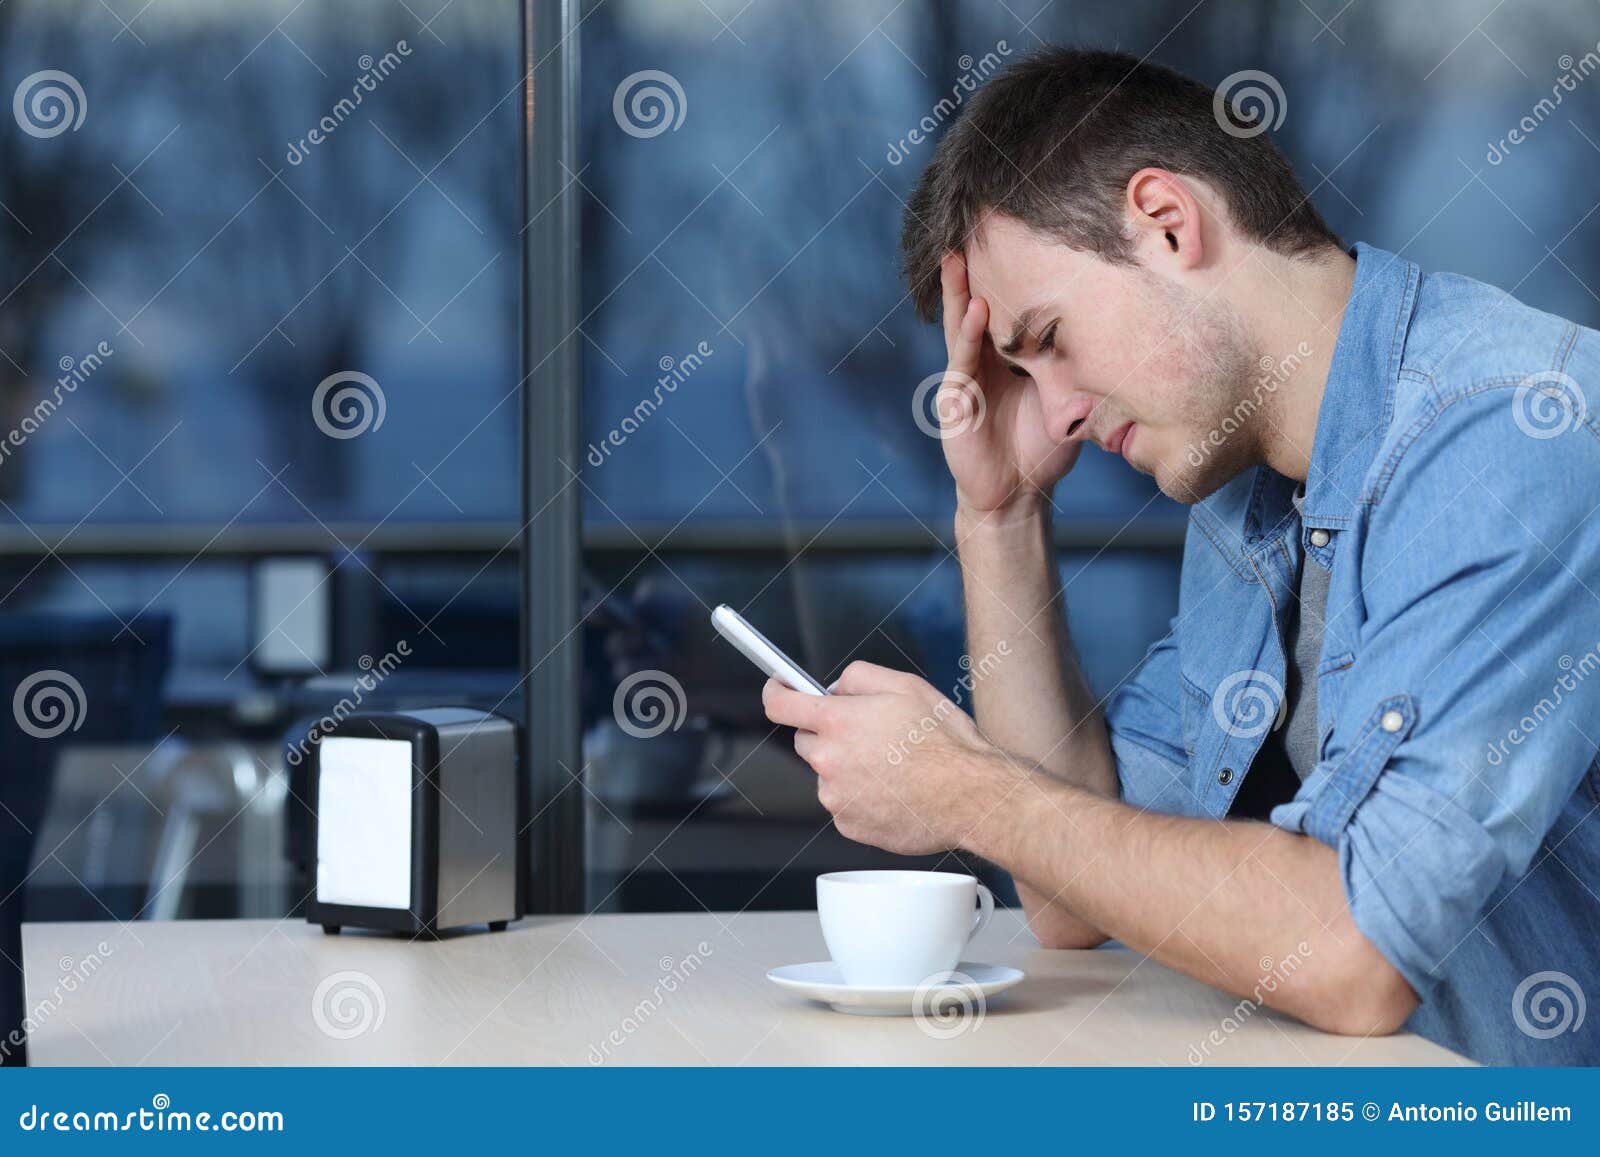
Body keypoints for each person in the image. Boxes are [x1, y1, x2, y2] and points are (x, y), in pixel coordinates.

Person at [761, 47, 1600, 1065]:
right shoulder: (1248, 481)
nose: (1058, 411)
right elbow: (1072, 894)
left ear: (1167, 222)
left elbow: (1356, 949)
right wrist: (1002, 514)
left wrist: (961, 787)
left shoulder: (1507, 431)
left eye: (1051, 337)